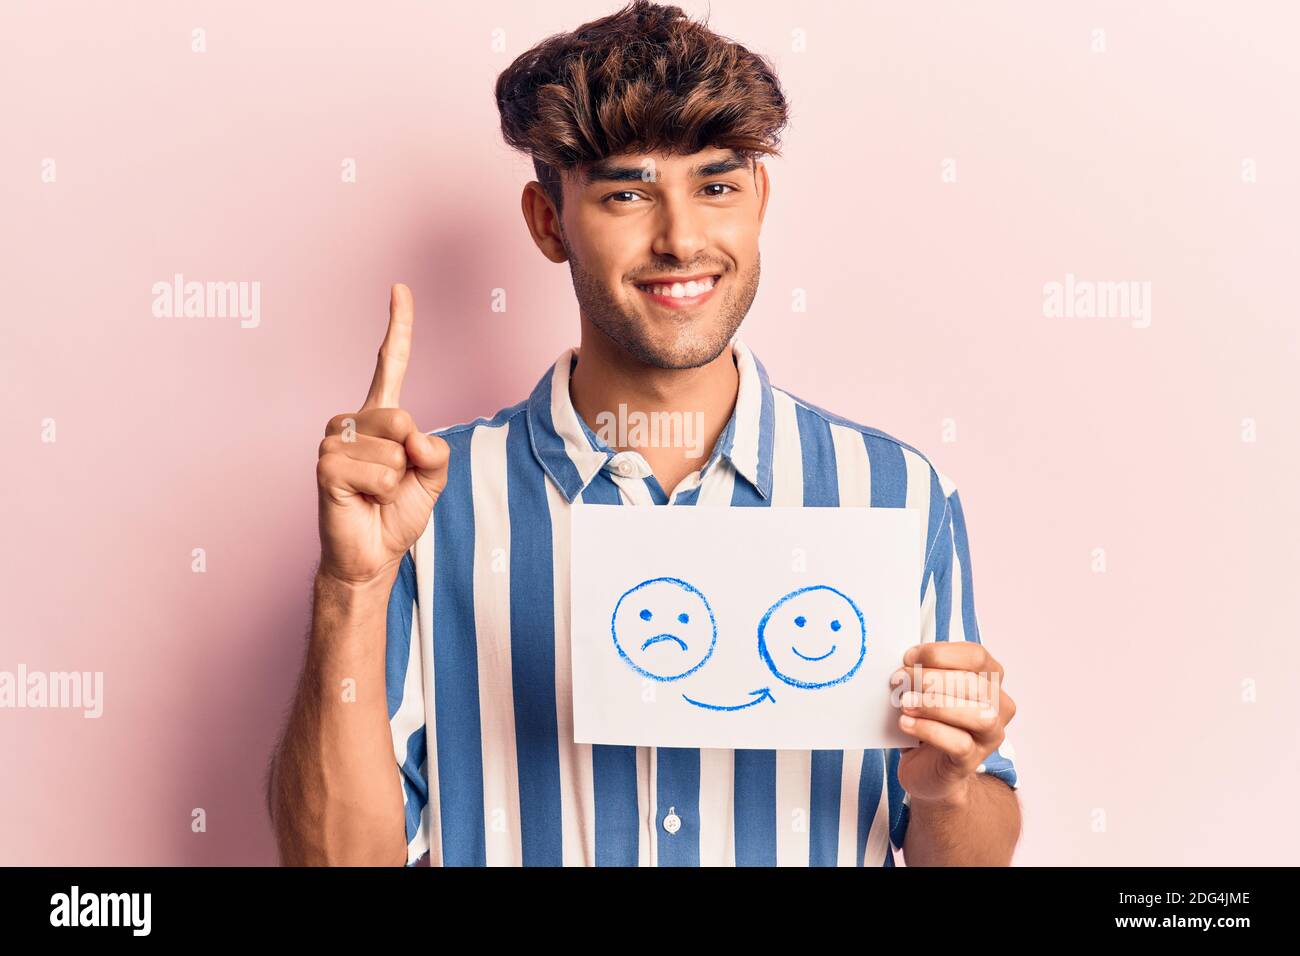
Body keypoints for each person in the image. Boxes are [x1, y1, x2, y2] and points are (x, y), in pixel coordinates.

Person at [269, 0, 1021, 867]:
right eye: (627, 193)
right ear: (549, 222)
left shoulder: (895, 493)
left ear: (759, 198)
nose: (682, 239)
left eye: (716, 185)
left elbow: (968, 852)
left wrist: (948, 790)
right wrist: (351, 585)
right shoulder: (423, 504)